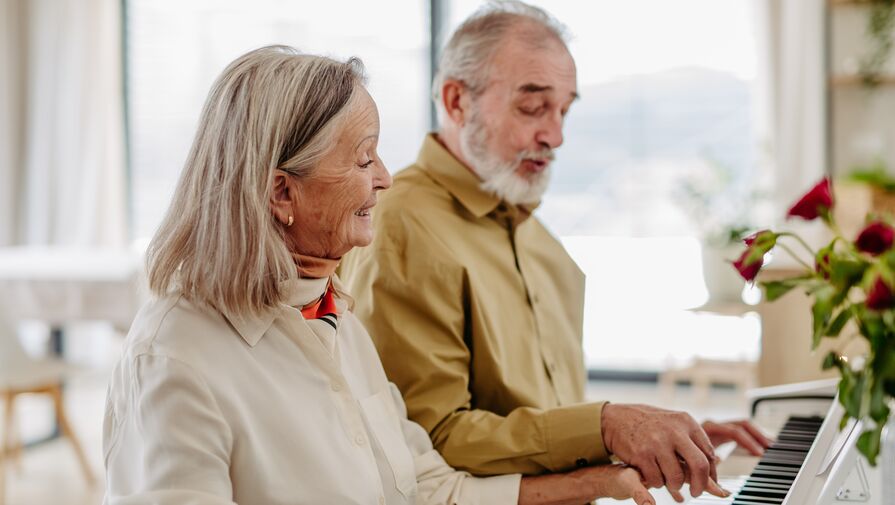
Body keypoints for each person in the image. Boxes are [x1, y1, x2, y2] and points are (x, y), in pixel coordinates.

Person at [102, 45, 663, 505]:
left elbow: (424, 486)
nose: (386, 178)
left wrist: (599, 483)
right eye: (364, 158)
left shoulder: (333, 316)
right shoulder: (175, 361)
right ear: (281, 192)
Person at [340, 1, 772, 500]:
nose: (556, 135)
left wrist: (650, 438)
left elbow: (539, 427)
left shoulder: (538, 238)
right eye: (533, 106)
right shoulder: (399, 226)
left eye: (565, 110)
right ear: (457, 101)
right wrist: (607, 426)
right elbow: (427, 443)